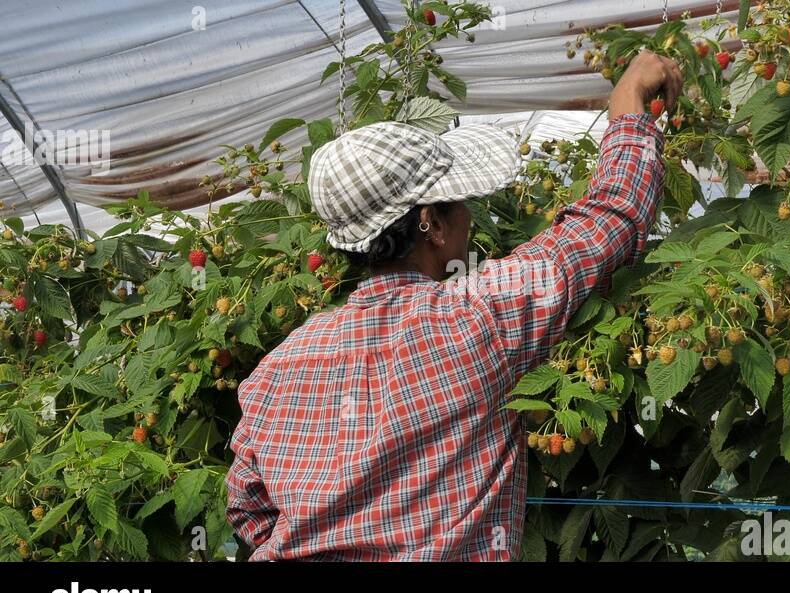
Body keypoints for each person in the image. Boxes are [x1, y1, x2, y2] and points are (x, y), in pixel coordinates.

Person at [225, 50, 684, 561]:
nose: (469, 218)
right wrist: (628, 105)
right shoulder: (478, 315)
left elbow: (249, 508)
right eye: (460, 204)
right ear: (433, 225)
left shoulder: (276, 370)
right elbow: (608, 222)